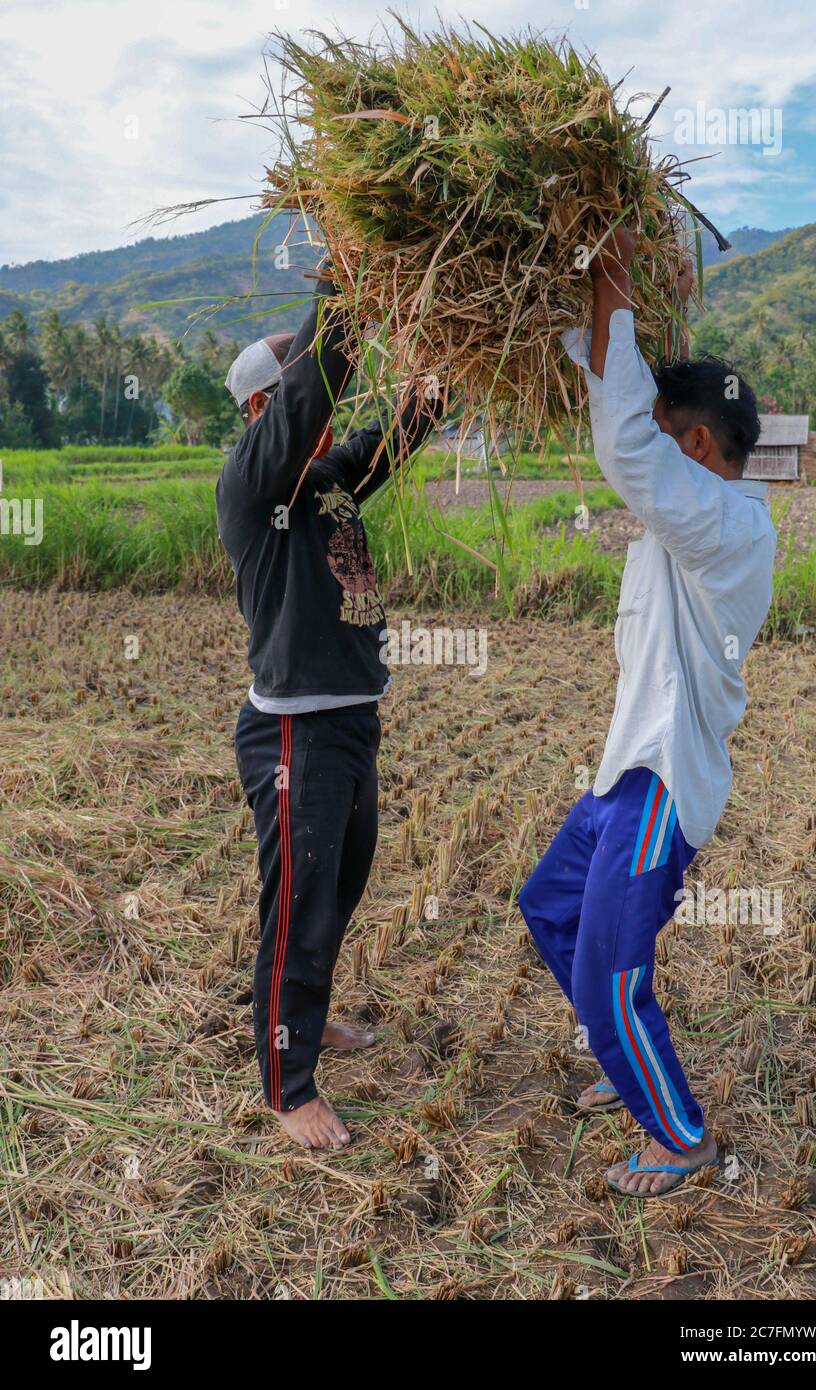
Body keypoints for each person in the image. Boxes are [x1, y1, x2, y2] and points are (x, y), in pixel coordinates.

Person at [519, 228, 776, 1198]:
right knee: (547, 908)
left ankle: (679, 1137)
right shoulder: (687, 520)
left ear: (697, 446)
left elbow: (624, 442)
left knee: (610, 979)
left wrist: (615, 288)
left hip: (660, 786)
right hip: (619, 775)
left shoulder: (727, 526)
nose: (653, 452)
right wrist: (577, 305)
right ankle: (618, 1054)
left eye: (667, 435)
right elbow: (614, 403)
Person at [217, 273, 441, 1150]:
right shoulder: (255, 482)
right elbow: (320, 382)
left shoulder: (332, 477)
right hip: (293, 731)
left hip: (352, 720)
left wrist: (446, 363)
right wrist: (350, 280)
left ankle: (305, 1025)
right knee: (300, 904)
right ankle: (287, 1081)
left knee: (337, 892)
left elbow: (401, 431)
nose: (311, 399)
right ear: (261, 413)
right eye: (292, 387)